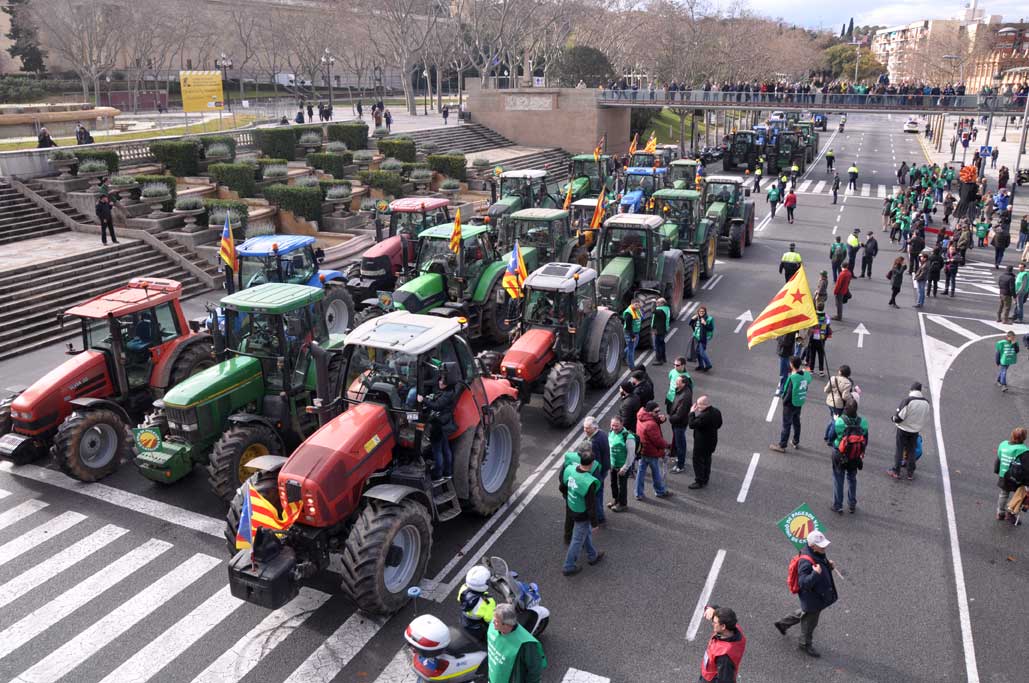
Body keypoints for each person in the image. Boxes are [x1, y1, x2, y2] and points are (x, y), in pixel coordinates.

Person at [774, 530, 838, 658]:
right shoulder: (806, 561)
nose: (824, 547)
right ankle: (804, 644)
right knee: (810, 623)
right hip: (813, 598)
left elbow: (820, 566)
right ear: (813, 546)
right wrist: (815, 574)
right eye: (821, 546)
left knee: (805, 612)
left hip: (815, 597)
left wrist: (828, 566)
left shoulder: (818, 552)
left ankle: (783, 623)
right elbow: (803, 583)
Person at [559, 444, 603, 576]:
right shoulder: (589, 482)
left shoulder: (570, 469)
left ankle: (592, 555)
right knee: (577, 539)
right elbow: (591, 506)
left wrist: (567, 496)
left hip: (571, 506)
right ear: (591, 464)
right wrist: (595, 523)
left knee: (585, 532)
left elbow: (562, 486)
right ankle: (568, 566)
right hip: (582, 514)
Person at [486, 603, 547, 682]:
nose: (493, 622)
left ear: (506, 625)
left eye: (496, 621)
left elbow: (534, 669)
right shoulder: (493, 627)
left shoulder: (526, 644)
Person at [830, 398, 867, 514]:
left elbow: (831, 437)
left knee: (838, 478)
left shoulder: (839, 422)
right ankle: (852, 504)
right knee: (852, 478)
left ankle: (838, 505)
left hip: (840, 454)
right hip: (855, 455)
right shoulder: (863, 422)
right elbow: (865, 439)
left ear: (845, 408)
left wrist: (834, 421)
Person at [888, 382, 931, 481]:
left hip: (903, 429)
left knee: (900, 449)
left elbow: (899, 417)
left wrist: (893, 419)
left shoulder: (908, 401)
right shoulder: (926, 403)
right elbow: (925, 417)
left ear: (911, 390)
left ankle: (896, 471)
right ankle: (910, 472)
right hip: (915, 431)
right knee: (911, 450)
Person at [770, 356, 811, 453]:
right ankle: (795, 441)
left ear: (791, 365)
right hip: (799, 402)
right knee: (796, 422)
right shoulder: (805, 375)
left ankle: (782, 445)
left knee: (786, 424)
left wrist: (784, 401)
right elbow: (807, 382)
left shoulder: (792, 378)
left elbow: (788, 392)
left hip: (790, 404)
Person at [699, 606, 746, 682]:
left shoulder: (724, 656)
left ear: (723, 626)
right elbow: (723, 613)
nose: (712, 624)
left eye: (714, 622)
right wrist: (711, 608)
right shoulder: (734, 628)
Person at [423, 375, 457, 479]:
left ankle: (438, 474)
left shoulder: (447, 394)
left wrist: (423, 400)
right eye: (440, 380)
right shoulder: (450, 391)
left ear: (448, 383)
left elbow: (437, 406)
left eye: (443, 381)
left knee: (437, 451)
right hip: (444, 425)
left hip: (438, 426)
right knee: (446, 449)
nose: (440, 382)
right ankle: (448, 472)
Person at [635, 401, 671, 500]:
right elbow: (658, 441)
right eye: (656, 412)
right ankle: (660, 491)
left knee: (640, 473)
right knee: (656, 473)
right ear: (650, 412)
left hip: (642, 450)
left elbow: (652, 420)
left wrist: (661, 420)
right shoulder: (651, 424)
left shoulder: (641, 416)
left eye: (659, 411)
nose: (658, 413)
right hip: (651, 452)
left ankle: (638, 493)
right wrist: (668, 446)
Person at [687, 395, 722, 489]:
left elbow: (691, 424)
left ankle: (699, 481)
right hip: (712, 441)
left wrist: (692, 413)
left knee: (697, 461)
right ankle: (706, 478)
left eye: (699, 405)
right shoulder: (716, 411)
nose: (697, 406)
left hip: (701, 443)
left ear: (705, 405)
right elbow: (719, 424)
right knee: (707, 459)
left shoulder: (704, 416)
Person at [994, 428, 1028, 523]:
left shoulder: (1003, 444)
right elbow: (1027, 468)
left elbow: (998, 459)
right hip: (1017, 477)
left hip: (1004, 475)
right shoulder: (1023, 450)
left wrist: (997, 470)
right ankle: (1011, 512)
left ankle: (1000, 513)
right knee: (1021, 492)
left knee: (1004, 494)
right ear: (1024, 438)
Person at [583, 416, 610, 524]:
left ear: (594, 428)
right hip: (604, 468)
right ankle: (600, 514)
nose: (585, 430)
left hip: (597, 473)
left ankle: (599, 517)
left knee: (596, 495)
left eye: (587, 428)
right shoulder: (602, 433)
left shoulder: (593, 443)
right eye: (584, 427)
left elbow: (595, 462)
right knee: (600, 493)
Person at [458, 565, 497, 642]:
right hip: (477, 626)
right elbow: (491, 620)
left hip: (464, 618)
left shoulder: (463, 588)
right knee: (486, 637)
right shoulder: (488, 603)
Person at [607, 416, 637, 512]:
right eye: (612, 425)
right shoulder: (611, 432)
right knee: (613, 484)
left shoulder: (628, 437)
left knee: (622, 486)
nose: (614, 428)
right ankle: (616, 500)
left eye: (617, 425)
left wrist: (625, 468)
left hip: (622, 466)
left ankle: (623, 504)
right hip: (613, 465)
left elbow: (631, 455)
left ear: (622, 424)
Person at [823, 364, 853, 444]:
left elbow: (826, 390)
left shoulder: (833, 378)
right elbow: (845, 396)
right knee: (836, 422)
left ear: (840, 372)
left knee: (833, 418)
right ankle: (830, 439)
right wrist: (851, 400)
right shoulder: (848, 383)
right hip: (838, 405)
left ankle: (826, 435)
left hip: (830, 402)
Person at [669, 374, 692, 474]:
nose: (676, 382)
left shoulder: (685, 396)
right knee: (679, 442)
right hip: (678, 422)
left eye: (678, 381)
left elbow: (680, 414)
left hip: (679, 423)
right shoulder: (682, 391)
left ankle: (680, 466)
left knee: (680, 444)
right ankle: (679, 458)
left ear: (683, 384)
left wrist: (670, 419)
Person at [805, 307, 830, 377]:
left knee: (812, 355)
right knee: (821, 355)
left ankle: (811, 370)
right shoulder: (826, 317)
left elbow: (809, 325)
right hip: (821, 338)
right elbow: (828, 325)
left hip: (813, 339)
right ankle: (821, 371)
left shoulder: (813, 316)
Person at [689, 306, 714, 372]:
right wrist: (692, 319)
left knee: (702, 352)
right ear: (698, 312)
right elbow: (690, 324)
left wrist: (705, 324)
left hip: (702, 338)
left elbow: (711, 329)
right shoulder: (696, 318)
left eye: (703, 311)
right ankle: (701, 365)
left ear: (705, 312)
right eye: (700, 311)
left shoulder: (708, 319)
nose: (701, 312)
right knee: (698, 352)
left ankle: (708, 364)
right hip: (696, 337)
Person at [775, 331, 796, 396]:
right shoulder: (788, 329)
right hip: (785, 353)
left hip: (786, 354)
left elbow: (786, 342)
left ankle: (782, 390)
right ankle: (784, 387)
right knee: (786, 372)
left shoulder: (789, 330)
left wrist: (778, 338)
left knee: (784, 373)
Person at [622, 300, 642, 369]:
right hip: (630, 333)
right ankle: (632, 367)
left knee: (631, 347)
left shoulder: (637, 310)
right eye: (636, 305)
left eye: (638, 305)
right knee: (631, 350)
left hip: (636, 332)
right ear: (632, 304)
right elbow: (628, 327)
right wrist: (632, 336)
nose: (637, 306)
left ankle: (622, 356)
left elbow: (641, 317)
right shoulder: (629, 313)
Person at [652, 297, 671, 365]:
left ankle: (659, 360)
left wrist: (653, 302)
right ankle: (663, 358)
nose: (657, 303)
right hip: (663, 329)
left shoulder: (661, 310)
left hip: (659, 330)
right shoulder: (666, 309)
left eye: (658, 302)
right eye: (656, 302)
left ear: (662, 303)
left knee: (658, 345)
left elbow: (653, 311)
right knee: (662, 344)